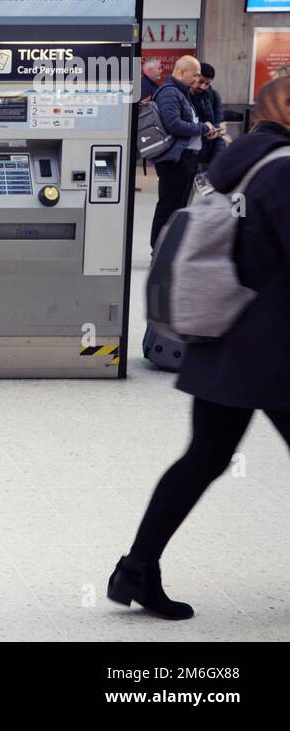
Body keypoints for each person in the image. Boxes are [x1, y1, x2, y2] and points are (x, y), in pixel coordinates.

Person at [110, 76, 290, 619]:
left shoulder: (234, 164)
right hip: (274, 346)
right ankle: (137, 568)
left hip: (223, 336)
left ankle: (136, 569)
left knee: (204, 458)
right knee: (204, 459)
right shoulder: (282, 170)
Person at [148, 55, 213, 250]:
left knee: (178, 207)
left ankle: (168, 248)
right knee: (169, 207)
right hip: (175, 161)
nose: (196, 80)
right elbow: (173, 124)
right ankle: (159, 250)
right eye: (195, 75)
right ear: (182, 72)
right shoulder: (170, 93)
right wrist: (202, 128)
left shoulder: (181, 93)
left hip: (185, 160)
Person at [191, 62, 228, 169]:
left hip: (209, 153)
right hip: (189, 154)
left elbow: (219, 128)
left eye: (207, 84)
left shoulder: (214, 95)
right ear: (194, 77)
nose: (203, 87)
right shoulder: (183, 96)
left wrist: (217, 159)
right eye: (201, 82)